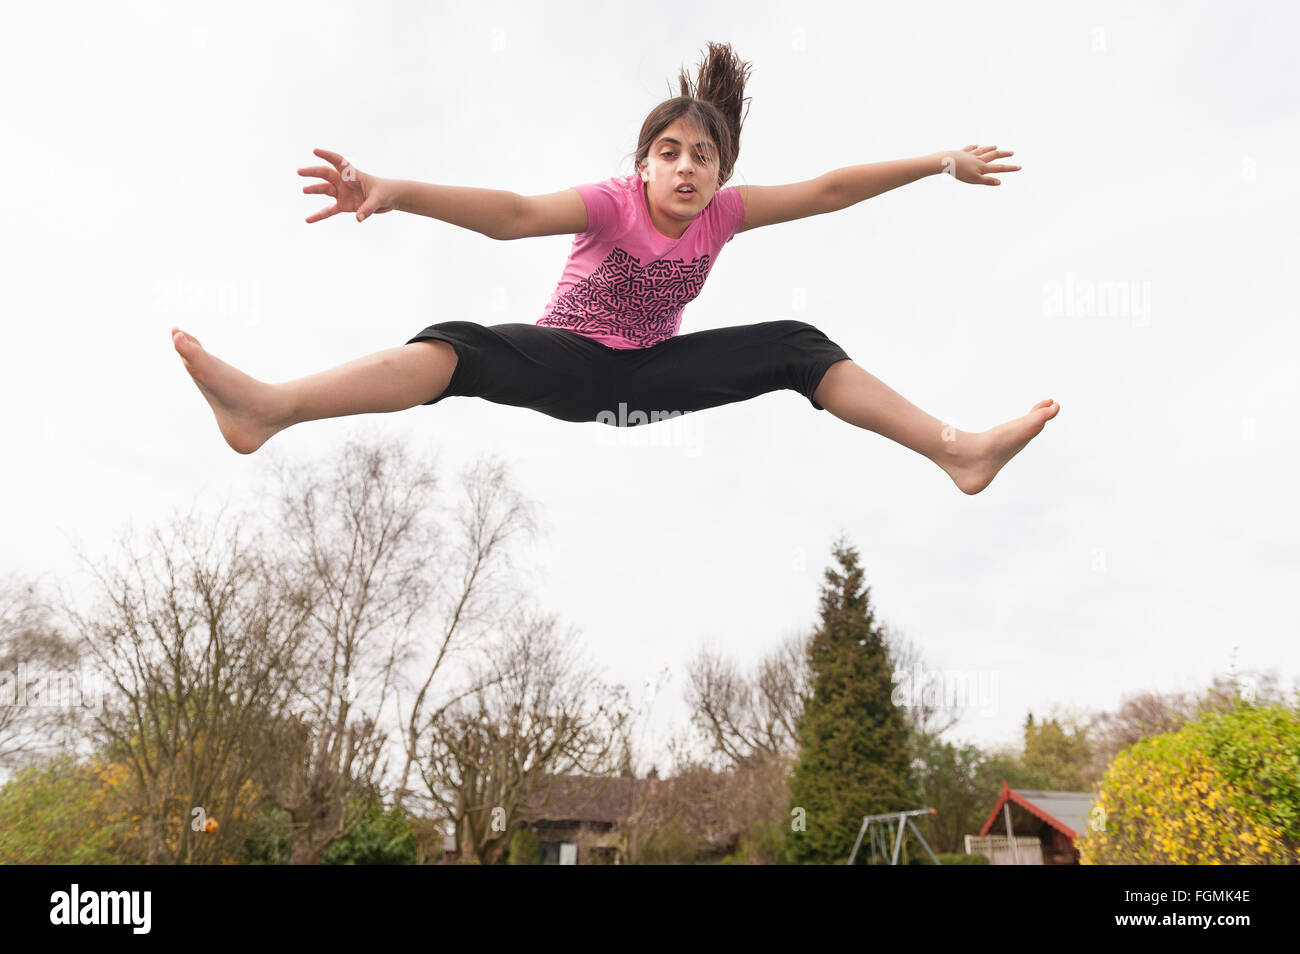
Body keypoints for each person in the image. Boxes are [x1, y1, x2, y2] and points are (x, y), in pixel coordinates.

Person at [172, 41, 1057, 495]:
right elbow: (514, 217)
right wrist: (394, 190)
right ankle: (272, 407)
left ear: (720, 173)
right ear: (642, 165)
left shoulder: (726, 215)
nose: (684, 169)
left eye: (701, 158)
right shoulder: (611, 203)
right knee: (459, 348)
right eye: (667, 153)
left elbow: (827, 191)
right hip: (569, 361)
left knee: (796, 344)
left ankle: (958, 451)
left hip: (651, 377)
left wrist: (942, 161)